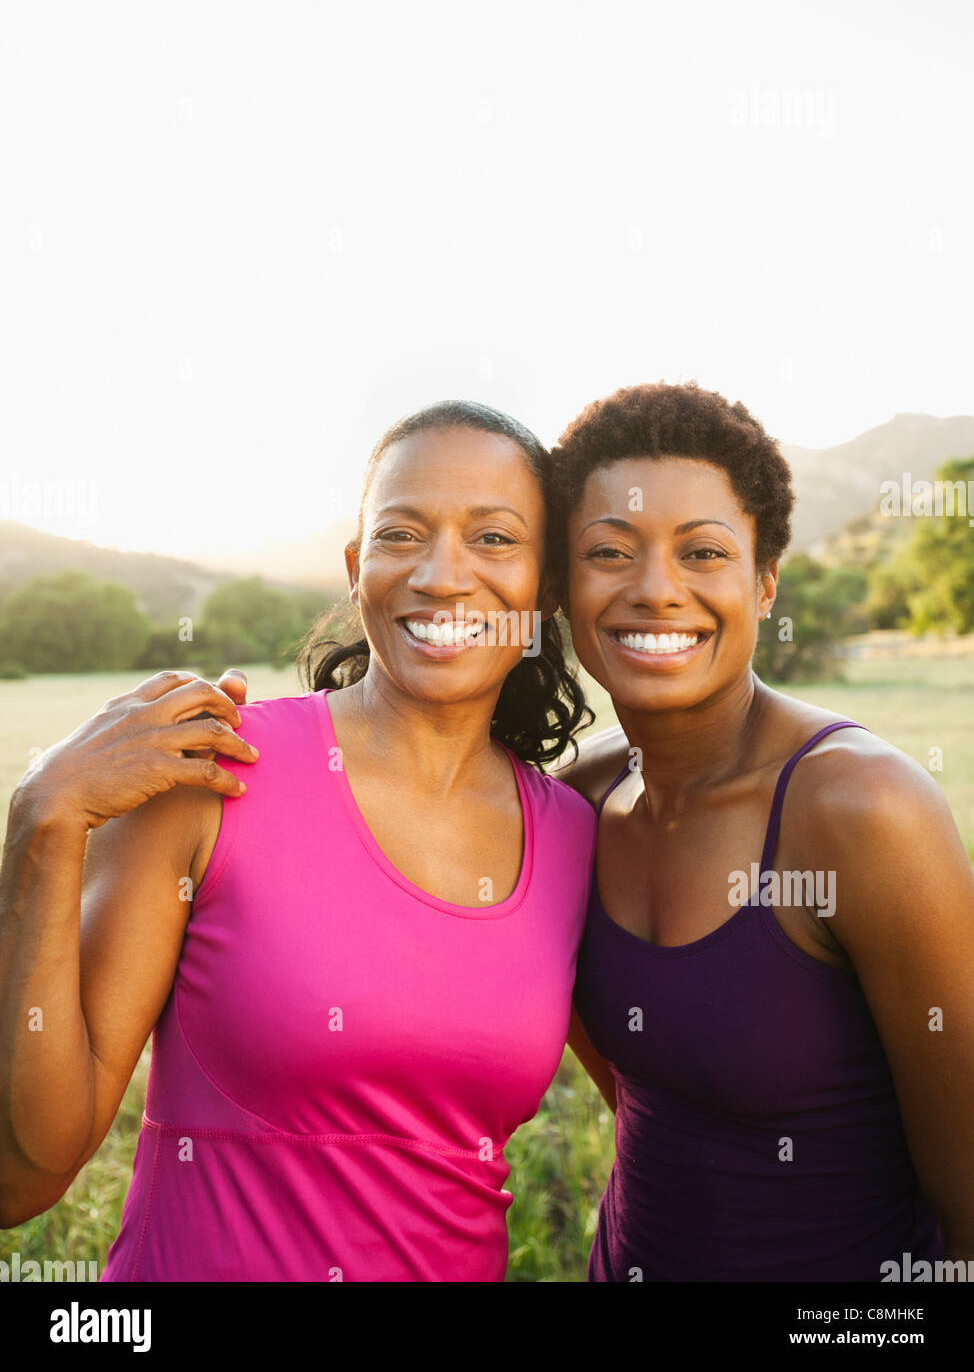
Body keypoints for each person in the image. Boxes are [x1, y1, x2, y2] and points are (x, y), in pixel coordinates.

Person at [0, 400, 596, 1282]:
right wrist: (40, 824)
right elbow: (27, 1172)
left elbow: (682, 1114)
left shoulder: (576, 835)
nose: (442, 574)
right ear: (359, 569)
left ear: (545, 589)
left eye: (495, 539)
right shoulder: (214, 772)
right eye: (402, 534)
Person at [551, 381, 974, 1282]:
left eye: (703, 552)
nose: (657, 590)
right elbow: (642, 1093)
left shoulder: (860, 811)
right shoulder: (577, 800)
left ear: (764, 582)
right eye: (609, 552)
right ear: (562, 584)